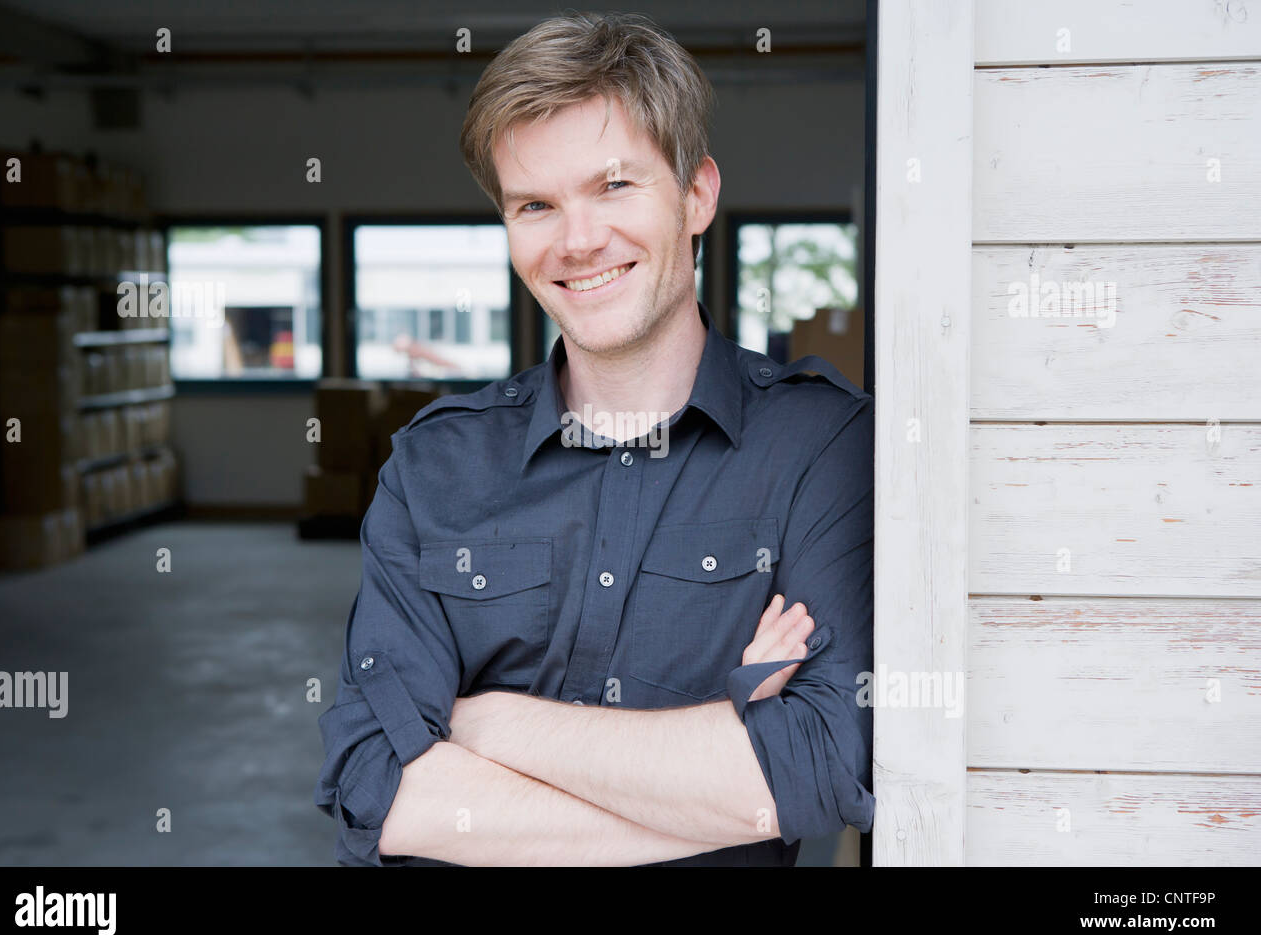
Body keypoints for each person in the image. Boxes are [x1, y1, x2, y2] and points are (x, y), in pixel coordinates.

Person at [314, 11, 874, 866]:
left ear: (697, 195)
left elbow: (823, 764)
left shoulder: (818, 446)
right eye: (536, 204)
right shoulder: (434, 467)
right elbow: (374, 791)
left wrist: (487, 723)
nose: (577, 241)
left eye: (614, 187)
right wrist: (719, 761)